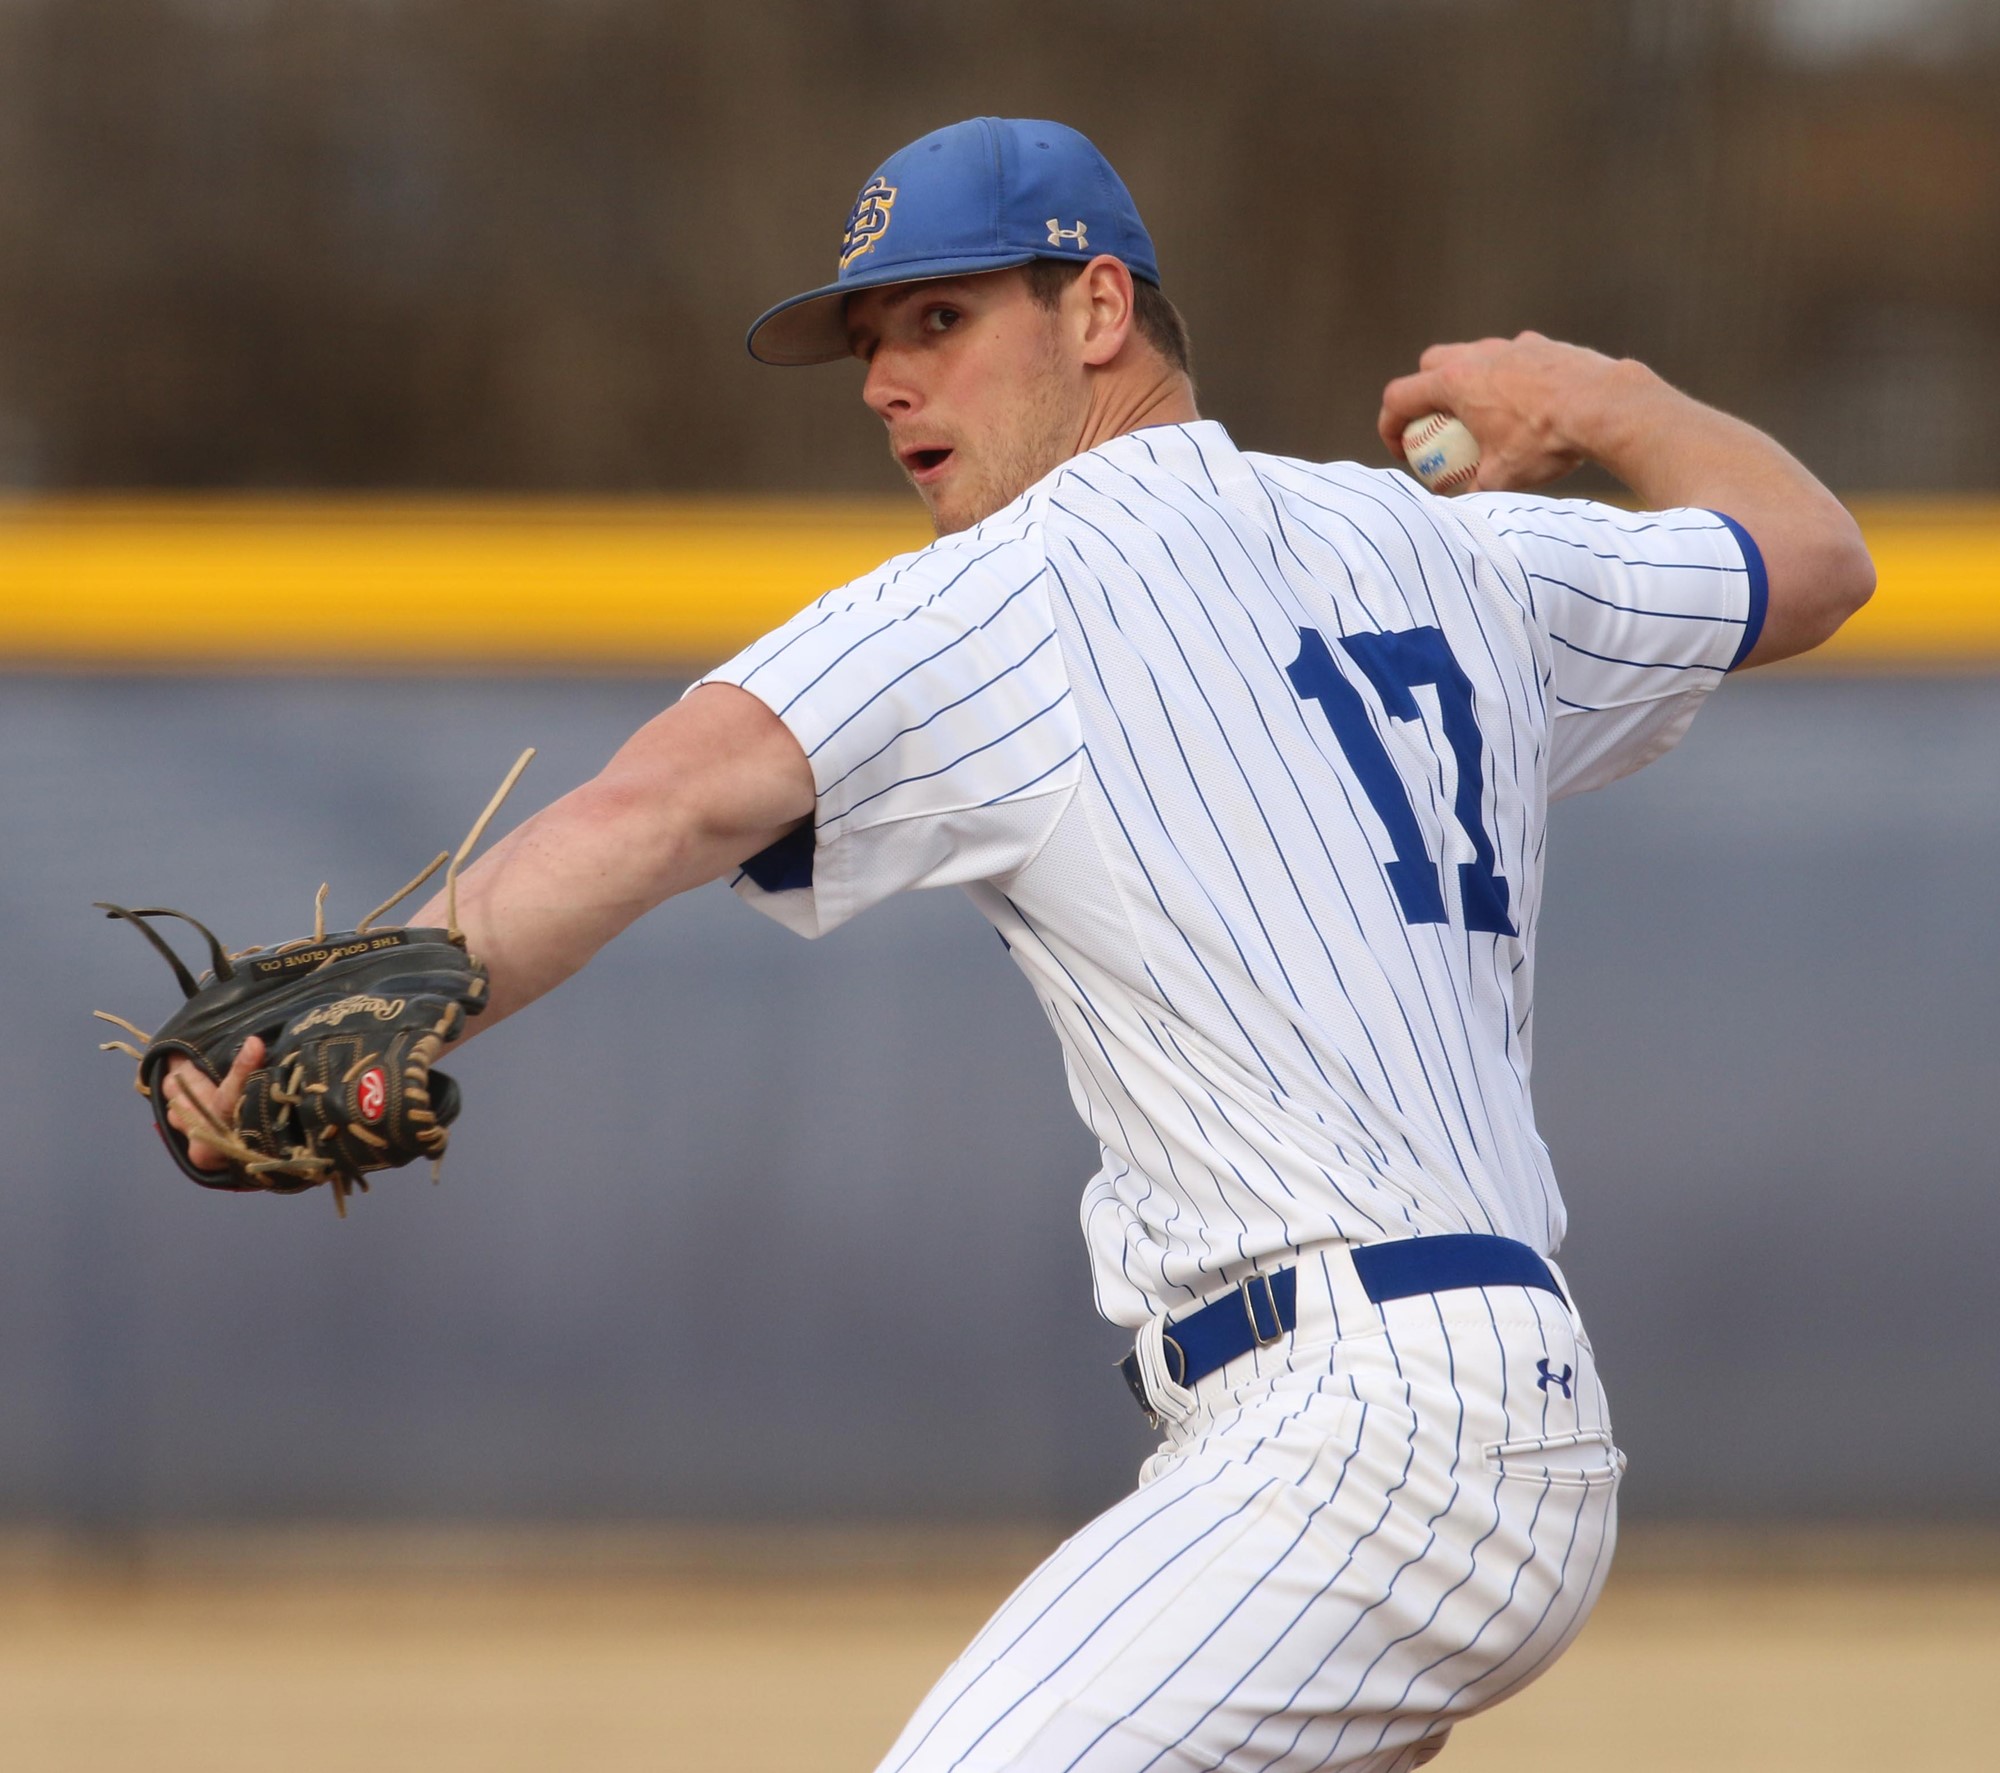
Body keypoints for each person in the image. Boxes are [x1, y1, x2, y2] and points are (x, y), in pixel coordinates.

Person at [166, 118, 1873, 1771]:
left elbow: (656, 806)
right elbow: (1812, 556)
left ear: (1102, 310)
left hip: (1365, 1431)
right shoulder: (1455, 550)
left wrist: (364, 1012)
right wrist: (1597, 400)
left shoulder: (1013, 589)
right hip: (1459, 1402)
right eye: (868, 343)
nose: (890, 380)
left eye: (941, 317)